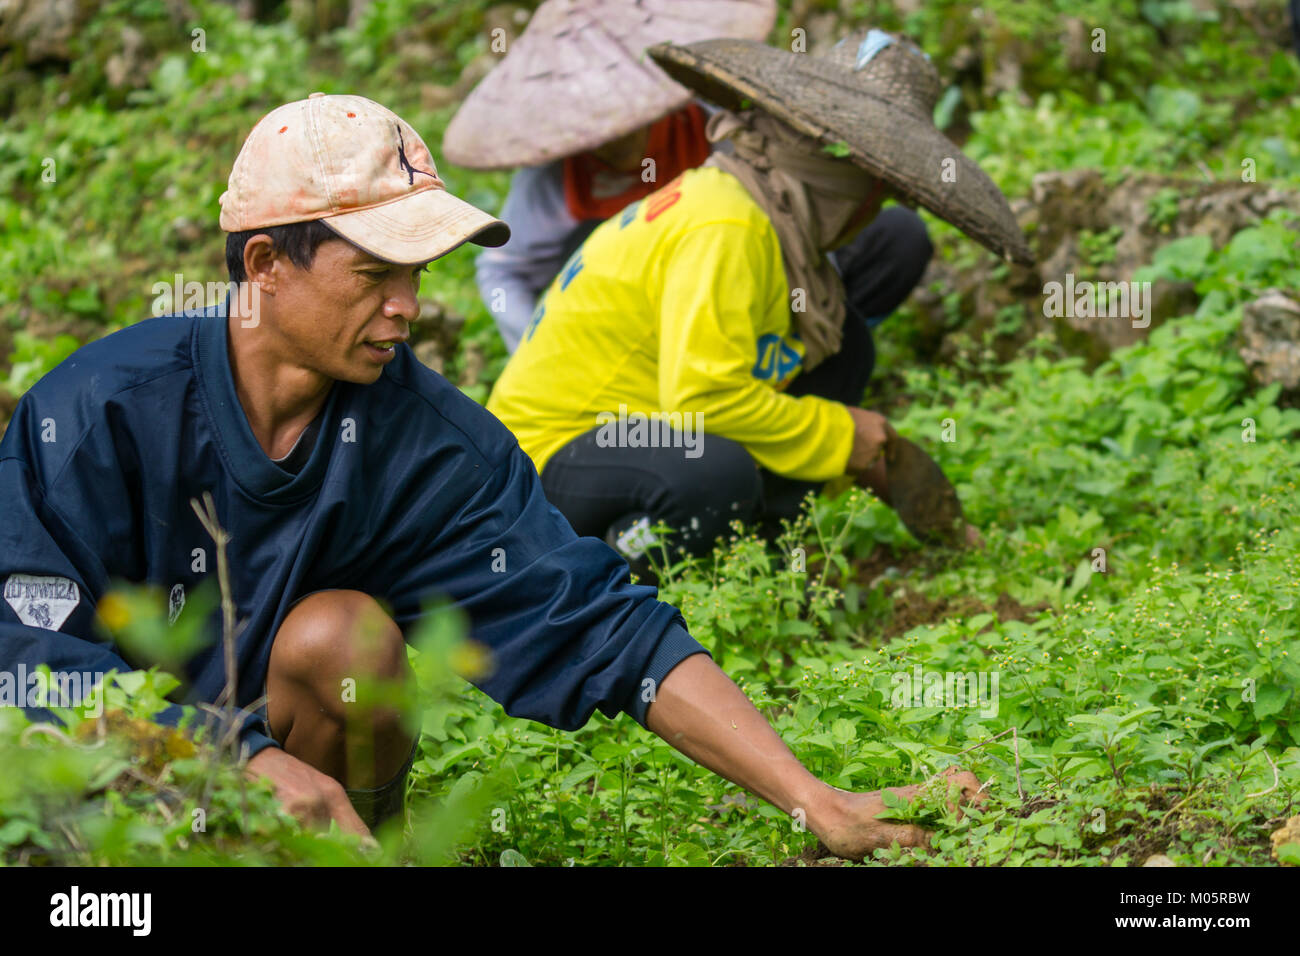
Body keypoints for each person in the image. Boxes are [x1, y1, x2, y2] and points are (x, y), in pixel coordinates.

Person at [0, 92, 980, 857]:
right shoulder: (97, 413)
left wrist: (814, 794)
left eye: (418, 275)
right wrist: (231, 758)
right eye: (377, 274)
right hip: (95, 802)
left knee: (345, 638)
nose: (407, 309)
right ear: (265, 264)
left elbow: (597, 618)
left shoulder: (422, 437)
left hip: (301, 782)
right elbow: (13, 657)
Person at [486, 29, 1032, 573]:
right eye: (878, 195)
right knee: (711, 472)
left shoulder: (764, 218)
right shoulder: (728, 227)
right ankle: (613, 573)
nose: (875, 214)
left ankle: (760, 548)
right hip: (549, 459)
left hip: (642, 424)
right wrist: (840, 434)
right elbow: (703, 401)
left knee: (845, 349)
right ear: (841, 190)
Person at [442, 0, 776, 352]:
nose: (612, 139)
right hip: (621, 334)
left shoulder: (713, 132)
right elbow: (504, 270)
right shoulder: (556, 175)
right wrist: (538, 350)